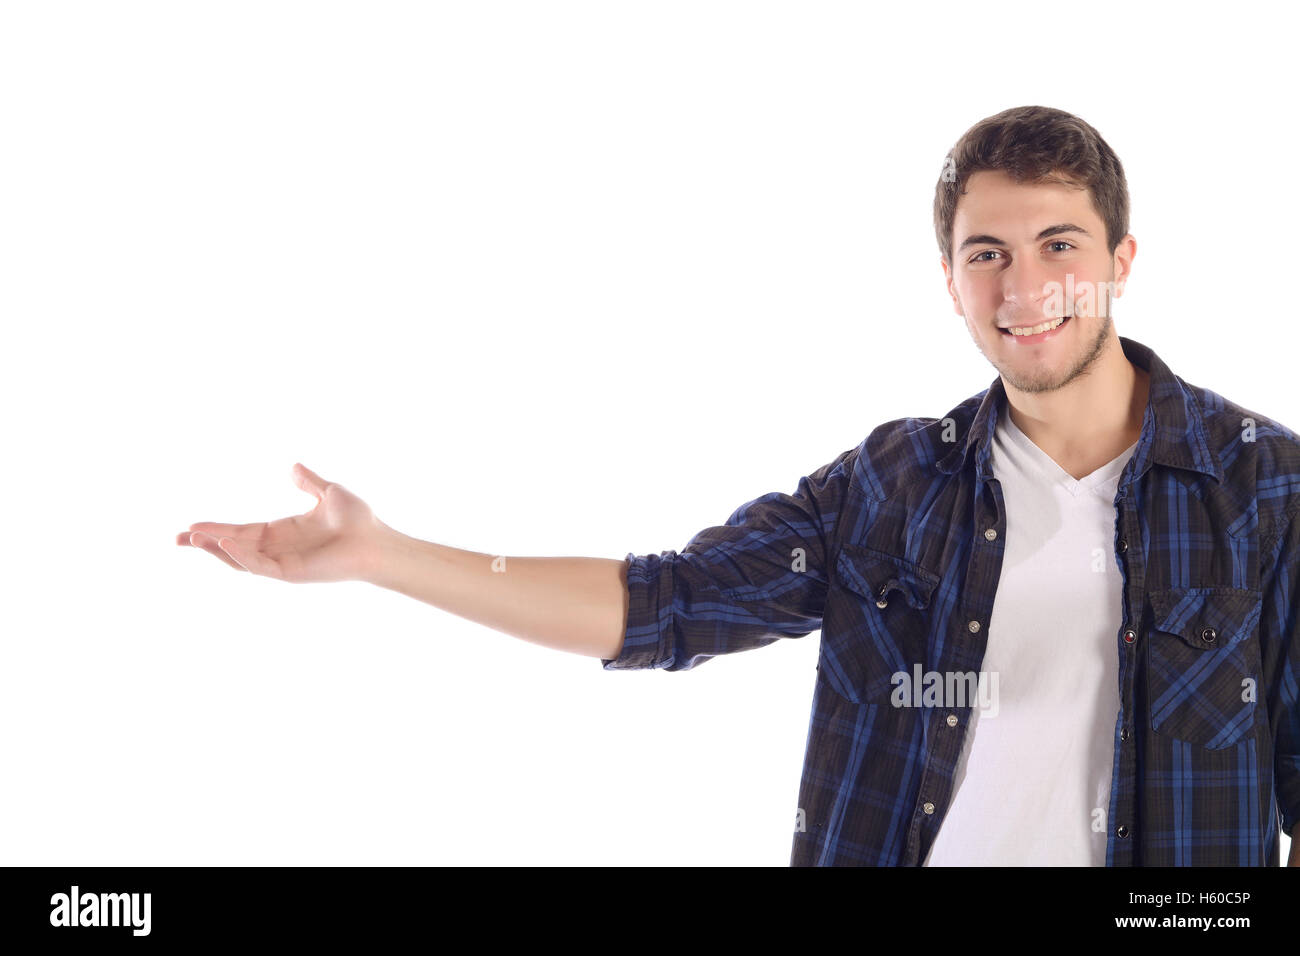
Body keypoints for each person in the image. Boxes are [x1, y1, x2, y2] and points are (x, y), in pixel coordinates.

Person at [177, 105, 1300, 867]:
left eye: (1060, 245)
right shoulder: (890, 488)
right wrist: (384, 554)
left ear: (1120, 262)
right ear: (949, 280)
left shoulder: (1264, 490)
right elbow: (663, 602)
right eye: (986, 252)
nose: (1027, 285)